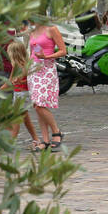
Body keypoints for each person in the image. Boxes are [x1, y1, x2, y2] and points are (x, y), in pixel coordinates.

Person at [27, 17, 67, 151]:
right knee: (38, 105)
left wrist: (47, 57)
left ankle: (56, 131)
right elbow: (32, 52)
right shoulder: (32, 31)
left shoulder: (51, 29)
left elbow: (63, 51)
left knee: (40, 105)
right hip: (34, 70)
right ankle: (45, 140)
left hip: (47, 69)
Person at [3, 37, 42, 151]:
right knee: (25, 119)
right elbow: (10, 81)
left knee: (16, 118)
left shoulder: (24, 66)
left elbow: (28, 79)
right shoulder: (17, 66)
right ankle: (35, 139)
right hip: (18, 94)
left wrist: (20, 81)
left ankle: (12, 141)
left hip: (23, 94)